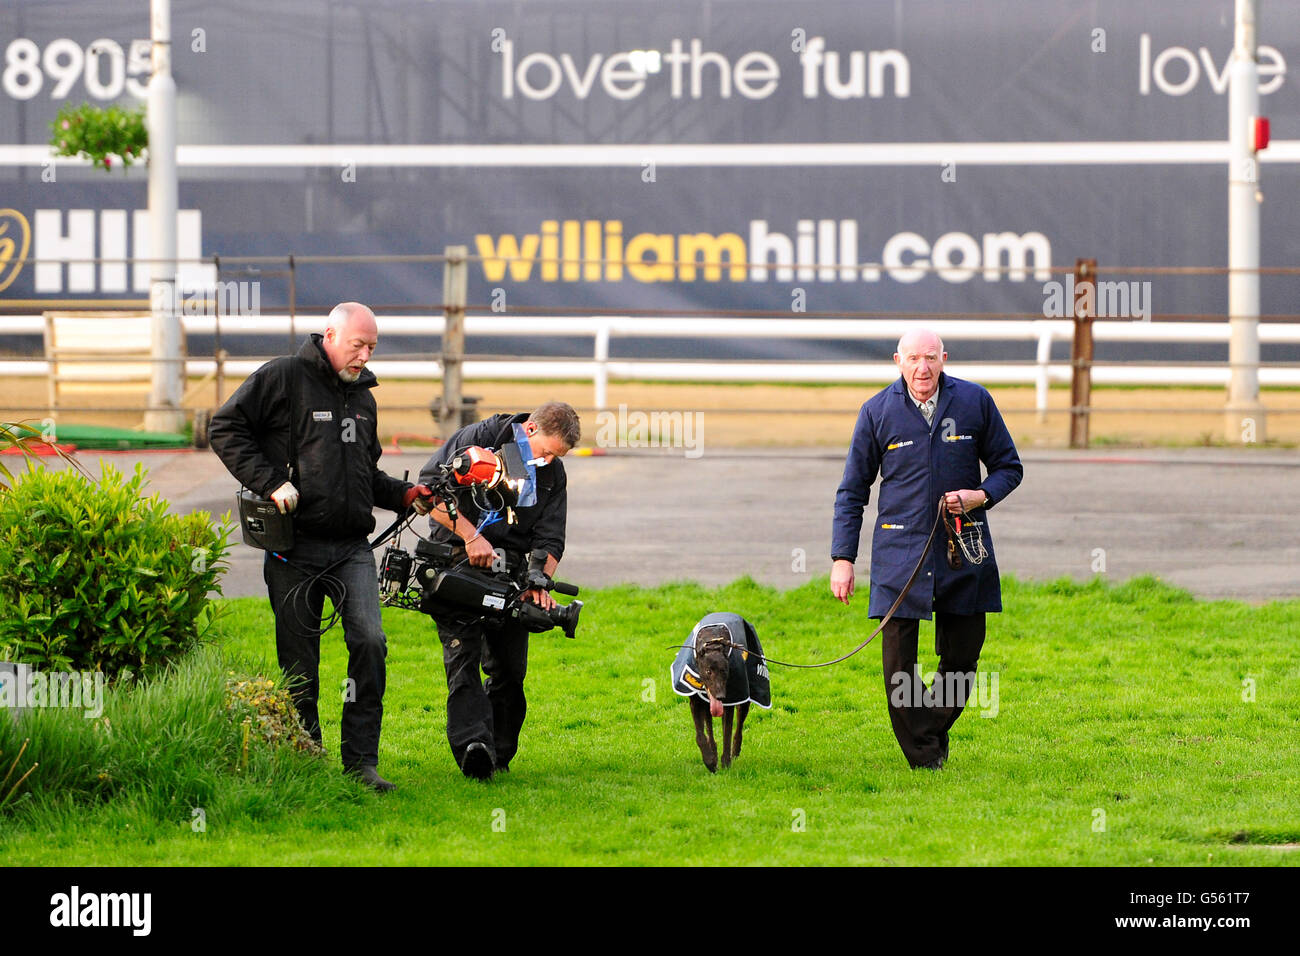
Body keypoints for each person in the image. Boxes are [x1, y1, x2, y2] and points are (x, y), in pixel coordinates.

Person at [209, 302, 433, 792]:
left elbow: (363, 476)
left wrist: (404, 494)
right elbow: (224, 428)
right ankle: (307, 759)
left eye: (372, 346)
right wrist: (270, 483)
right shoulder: (283, 377)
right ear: (330, 335)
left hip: (352, 548)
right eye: (358, 345)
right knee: (299, 663)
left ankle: (361, 764)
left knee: (370, 643)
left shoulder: (363, 398)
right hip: (293, 548)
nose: (365, 355)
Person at [830, 328, 1022, 770]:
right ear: (897, 361)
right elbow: (852, 491)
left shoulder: (975, 402)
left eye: (931, 358)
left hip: (963, 548)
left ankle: (928, 730)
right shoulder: (877, 412)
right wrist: (843, 559)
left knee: (962, 656)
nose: (923, 368)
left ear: (944, 358)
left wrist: (979, 496)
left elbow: (1009, 467)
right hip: (900, 552)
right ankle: (925, 758)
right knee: (899, 667)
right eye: (914, 358)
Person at [418, 401, 580, 780]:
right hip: (457, 558)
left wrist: (538, 581)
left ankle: (500, 753)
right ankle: (474, 749)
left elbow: (551, 537)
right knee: (463, 657)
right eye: (546, 452)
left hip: (512, 570)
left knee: (509, 668)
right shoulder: (480, 438)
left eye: (557, 457)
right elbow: (427, 494)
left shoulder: (553, 473)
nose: (548, 462)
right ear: (530, 429)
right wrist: (471, 537)